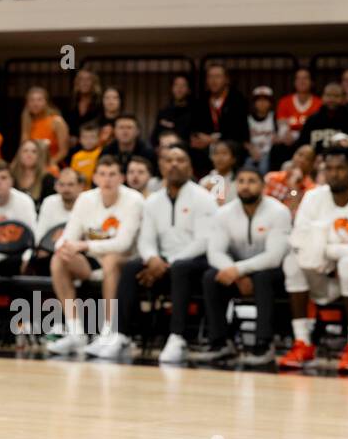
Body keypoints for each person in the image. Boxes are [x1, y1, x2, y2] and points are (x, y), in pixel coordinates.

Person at [279, 145, 348, 373]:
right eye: (329, 168)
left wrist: (325, 248)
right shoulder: (313, 198)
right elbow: (300, 239)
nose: (334, 174)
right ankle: (302, 342)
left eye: (341, 168)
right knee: (291, 261)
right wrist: (331, 252)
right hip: (321, 272)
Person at [112, 146, 218, 363]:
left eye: (180, 160)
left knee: (181, 268)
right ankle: (120, 335)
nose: (174, 165)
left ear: (190, 166)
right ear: (161, 166)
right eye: (169, 160)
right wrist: (152, 259)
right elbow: (146, 239)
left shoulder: (204, 198)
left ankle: (176, 338)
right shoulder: (153, 201)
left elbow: (204, 241)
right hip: (162, 264)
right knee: (131, 266)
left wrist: (167, 263)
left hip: (195, 263)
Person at [46, 155, 145, 356]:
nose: (107, 180)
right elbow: (68, 235)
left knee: (111, 259)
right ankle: (76, 332)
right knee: (59, 260)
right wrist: (62, 246)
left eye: (112, 174)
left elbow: (123, 244)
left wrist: (82, 244)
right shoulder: (85, 199)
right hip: (92, 259)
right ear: (95, 178)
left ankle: (108, 331)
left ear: (122, 178)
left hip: (126, 260)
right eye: (102, 174)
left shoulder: (134, 200)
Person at [194, 166, 293, 366]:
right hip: (237, 272)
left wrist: (238, 270)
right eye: (241, 181)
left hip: (272, 272)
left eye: (251, 181)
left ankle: (264, 343)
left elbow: (274, 257)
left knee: (263, 278)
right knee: (210, 277)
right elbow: (215, 252)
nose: (246, 186)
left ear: (263, 186)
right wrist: (236, 273)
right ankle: (219, 341)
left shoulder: (279, 212)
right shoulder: (224, 213)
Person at [32, 167, 83, 275]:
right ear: (56, 186)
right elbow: (40, 232)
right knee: (35, 263)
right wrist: (40, 248)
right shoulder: (49, 202)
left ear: (80, 186)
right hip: (49, 250)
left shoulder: (87, 202)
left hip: (78, 253)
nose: (66, 189)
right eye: (62, 185)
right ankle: (37, 293)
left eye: (70, 185)